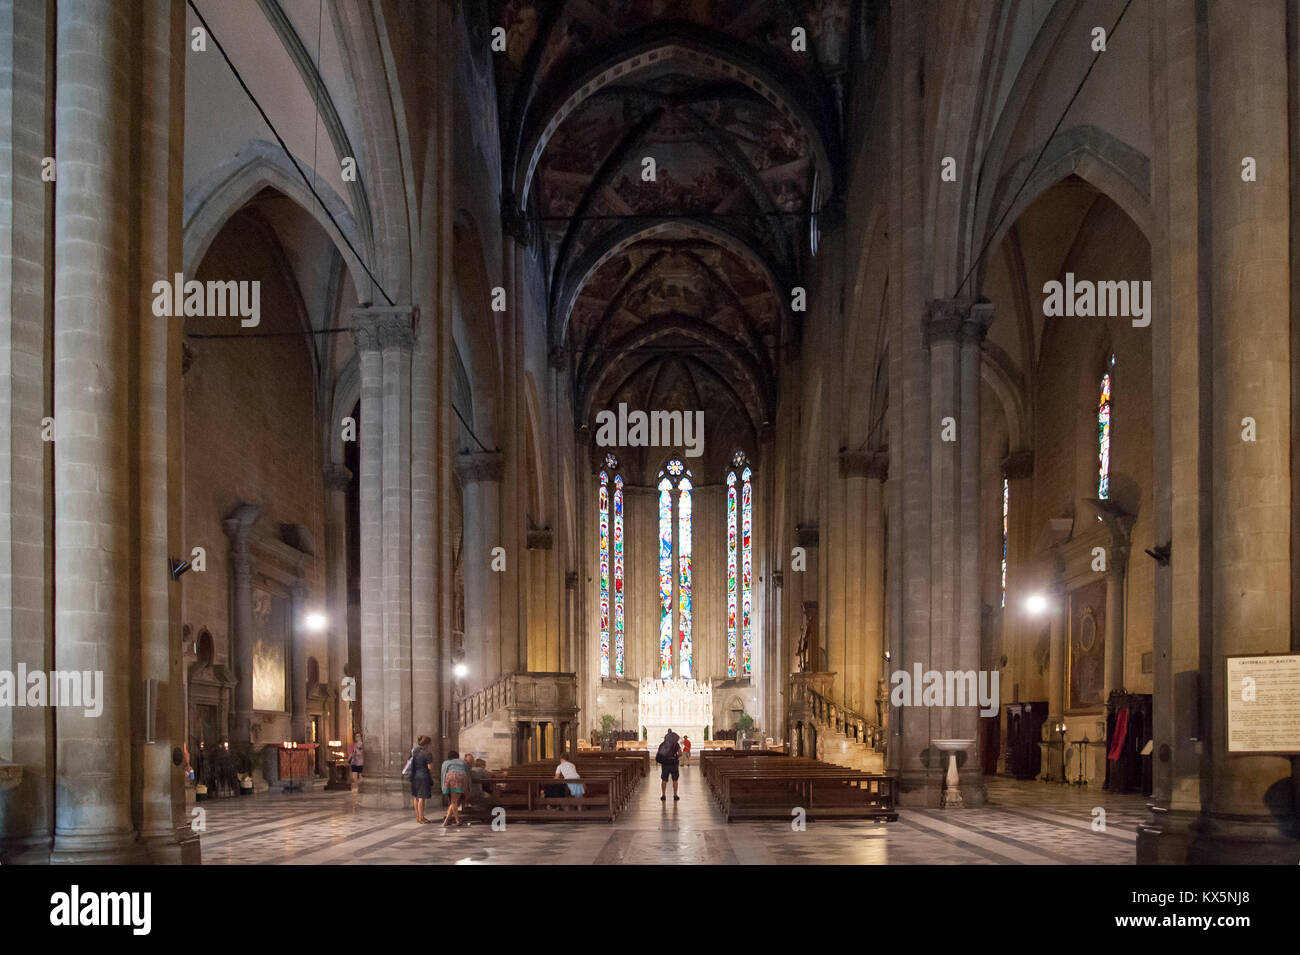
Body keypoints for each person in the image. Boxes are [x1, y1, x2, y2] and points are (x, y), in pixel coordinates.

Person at [440, 750, 472, 827]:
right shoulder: (463, 762)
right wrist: (469, 788)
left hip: (450, 778)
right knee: (454, 801)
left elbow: (443, 774)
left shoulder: (445, 763)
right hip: (461, 778)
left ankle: (448, 820)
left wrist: (443, 787)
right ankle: (455, 820)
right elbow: (468, 775)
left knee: (454, 801)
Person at [409, 735, 435, 824]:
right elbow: (429, 767)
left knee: (416, 797)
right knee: (421, 798)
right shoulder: (428, 754)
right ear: (427, 744)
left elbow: (409, 762)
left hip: (414, 776)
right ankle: (421, 818)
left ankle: (418, 816)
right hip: (423, 776)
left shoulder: (414, 751)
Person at [656, 728, 681, 801]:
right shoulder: (675, 744)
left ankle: (663, 795)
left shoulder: (662, 744)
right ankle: (675, 795)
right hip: (673, 764)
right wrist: (675, 757)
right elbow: (680, 753)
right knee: (675, 780)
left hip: (665, 764)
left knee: (664, 779)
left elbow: (658, 754)